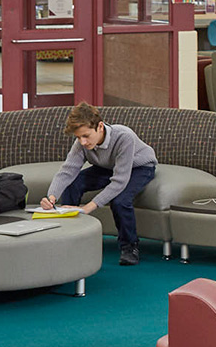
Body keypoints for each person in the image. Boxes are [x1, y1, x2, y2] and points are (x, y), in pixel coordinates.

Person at [39, 102, 160, 266]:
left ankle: (129, 247)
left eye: (86, 136)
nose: (82, 142)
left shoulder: (124, 137)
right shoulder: (82, 143)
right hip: (106, 167)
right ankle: (69, 236)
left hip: (138, 167)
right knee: (72, 184)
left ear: (100, 127)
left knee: (120, 201)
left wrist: (89, 206)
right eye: (78, 137)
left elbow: (119, 181)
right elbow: (68, 171)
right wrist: (51, 197)